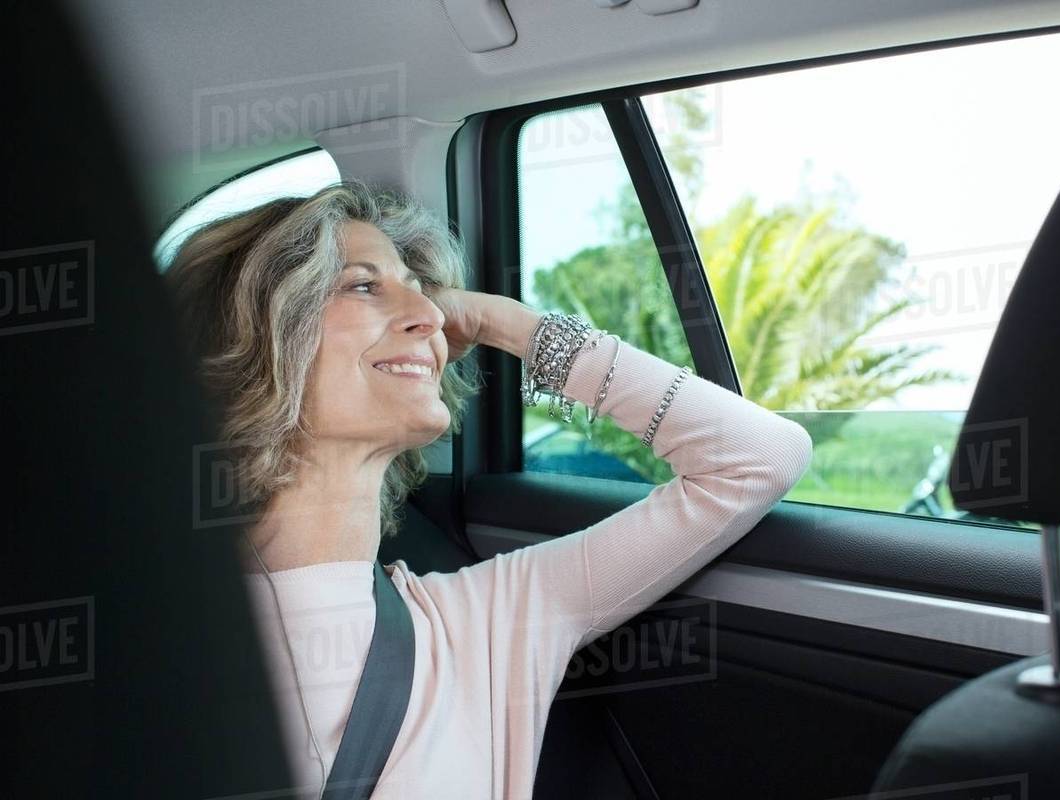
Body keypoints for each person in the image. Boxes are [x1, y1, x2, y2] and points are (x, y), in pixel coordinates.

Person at [163, 180, 813, 799]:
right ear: (253, 338)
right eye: (364, 286)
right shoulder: (154, 644)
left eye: (426, 296)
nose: (428, 317)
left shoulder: (488, 617)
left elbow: (755, 457)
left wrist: (503, 323)